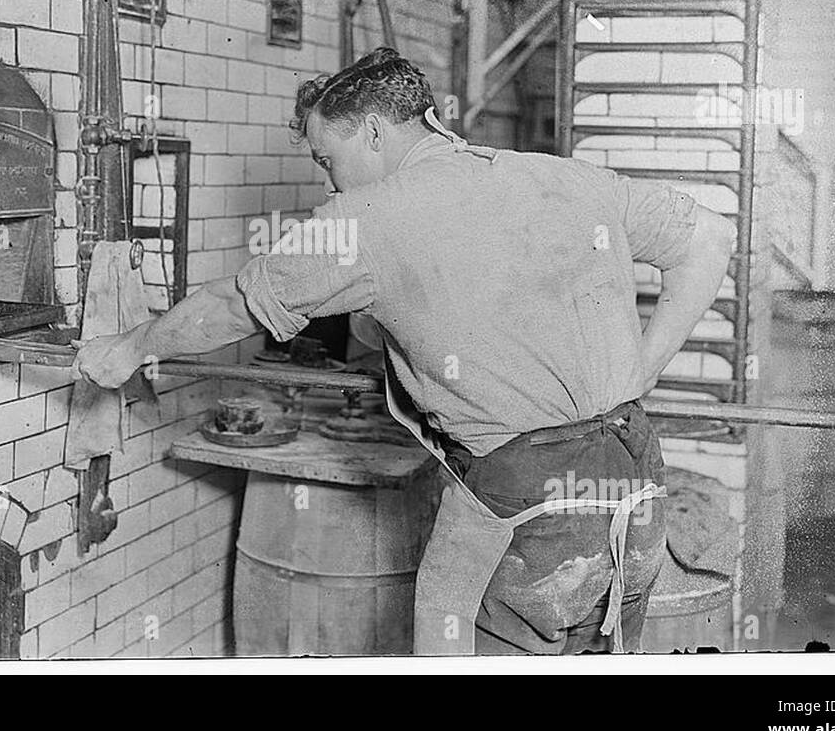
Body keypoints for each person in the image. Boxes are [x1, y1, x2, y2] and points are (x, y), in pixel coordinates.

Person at [72, 47, 735, 654]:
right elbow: (709, 236)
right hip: (635, 475)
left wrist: (130, 347)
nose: (330, 186)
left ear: (373, 133)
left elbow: (231, 304)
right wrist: (641, 367)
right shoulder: (566, 178)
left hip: (525, 508)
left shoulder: (367, 221)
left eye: (328, 162)